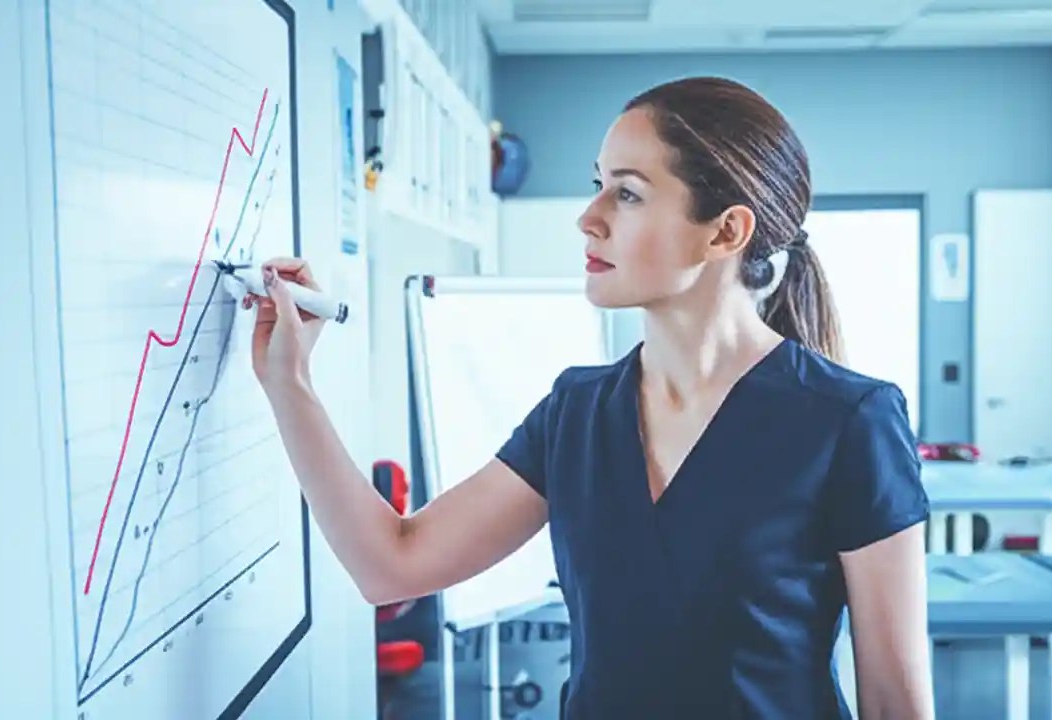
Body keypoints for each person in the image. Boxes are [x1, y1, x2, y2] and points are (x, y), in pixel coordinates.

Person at [244, 75, 934, 719]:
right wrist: (290, 383)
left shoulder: (848, 420)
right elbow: (390, 565)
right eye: (598, 185)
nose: (588, 218)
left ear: (725, 231)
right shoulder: (576, 413)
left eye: (627, 194)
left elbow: (895, 699)